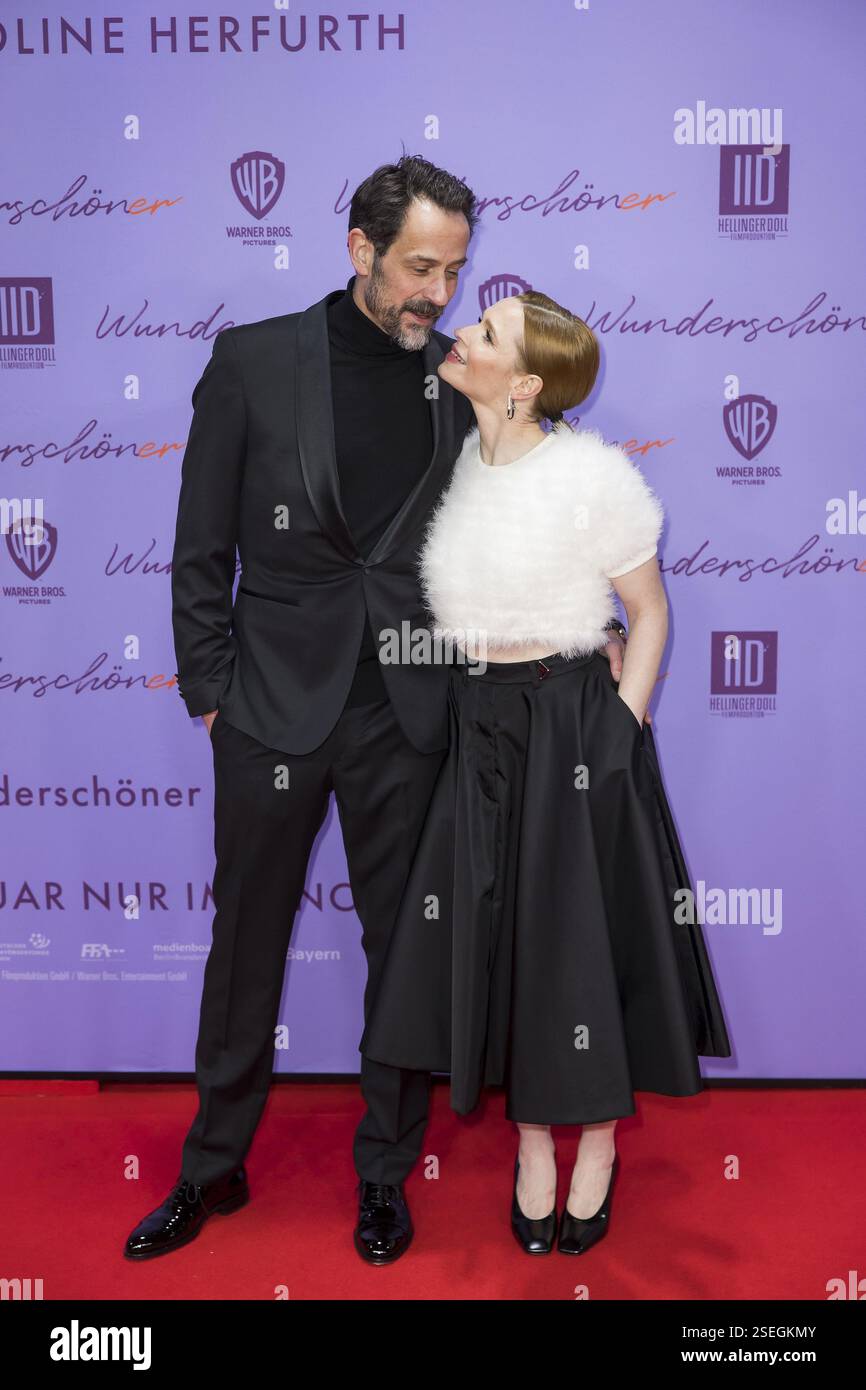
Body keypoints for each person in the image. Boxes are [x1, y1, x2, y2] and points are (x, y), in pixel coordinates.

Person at [121, 153, 631, 1267]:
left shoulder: (455, 382)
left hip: (413, 709)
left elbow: (523, 511)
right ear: (359, 249)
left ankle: (385, 1176)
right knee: (243, 946)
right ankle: (211, 1168)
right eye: (416, 267)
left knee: (407, 950)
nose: (436, 295)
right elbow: (200, 547)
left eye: (451, 272)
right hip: (267, 703)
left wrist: (584, 624)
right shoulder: (253, 361)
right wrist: (211, 692)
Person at [361, 289, 732, 1256]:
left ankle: (597, 1147)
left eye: (484, 334)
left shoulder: (592, 476)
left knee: (577, 941)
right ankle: (533, 1148)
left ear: (524, 383)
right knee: (503, 940)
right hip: (479, 729)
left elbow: (647, 612)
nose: (461, 336)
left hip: (573, 731)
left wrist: (620, 723)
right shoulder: (460, 465)